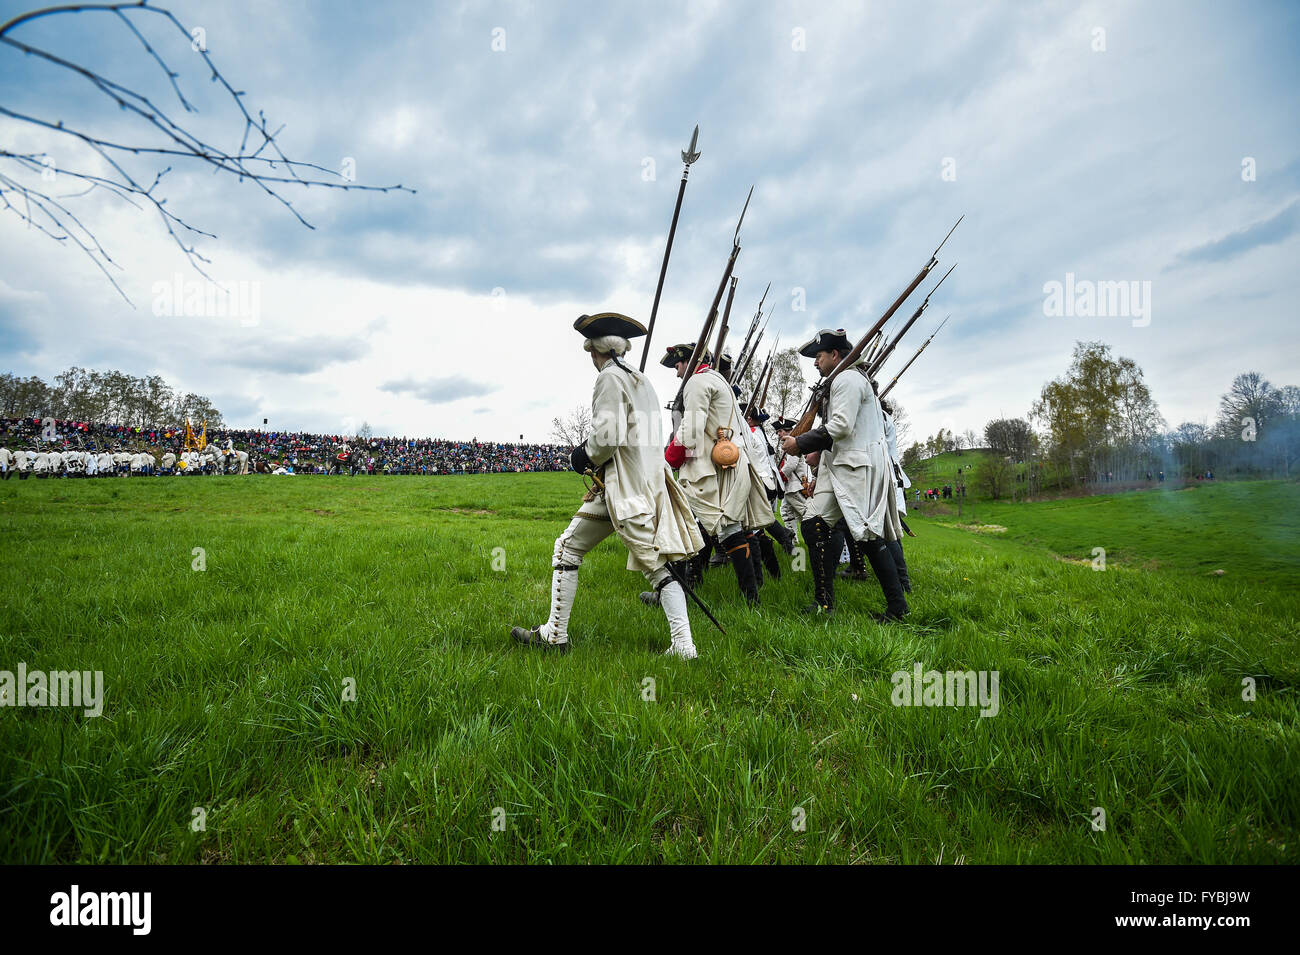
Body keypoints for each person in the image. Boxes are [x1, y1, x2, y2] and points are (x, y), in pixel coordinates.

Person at [512, 314, 704, 658]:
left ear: (594, 351)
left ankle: (684, 647)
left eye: (590, 351)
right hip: (639, 485)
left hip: (624, 490)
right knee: (568, 547)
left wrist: (581, 455)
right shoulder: (642, 380)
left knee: (659, 568)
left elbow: (607, 437)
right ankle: (554, 635)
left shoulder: (609, 379)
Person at [780, 329, 908, 621]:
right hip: (840, 466)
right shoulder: (842, 380)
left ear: (835, 355)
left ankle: (898, 607)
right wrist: (815, 451)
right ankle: (824, 601)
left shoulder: (848, 379)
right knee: (814, 525)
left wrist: (799, 443)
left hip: (855, 468)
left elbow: (841, 426)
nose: (815, 363)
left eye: (819, 356)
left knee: (868, 535)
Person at [662, 341, 771, 606]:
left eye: (678, 365)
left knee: (680, 524)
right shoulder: (720, 381)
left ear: (688, 361)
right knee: (728, 529)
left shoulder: (697, 382)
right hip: (727, 464)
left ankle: (671, 593)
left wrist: (668, 460)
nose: (677, 373)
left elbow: (690, 430)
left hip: (709, 469)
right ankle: (750, 599)